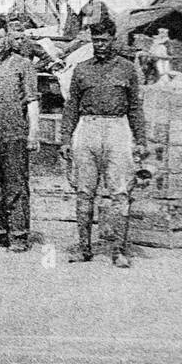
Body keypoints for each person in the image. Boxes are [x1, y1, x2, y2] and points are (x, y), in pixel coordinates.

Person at [58, 14, 147, 267]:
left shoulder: (127, 69)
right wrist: (66, 138)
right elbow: (71, 107)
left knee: (120, 193)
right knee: (84, 191)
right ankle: (84, 248)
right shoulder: (82, 69)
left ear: (113, 40)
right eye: (96, 40)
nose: (101, 45)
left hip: (118, 129)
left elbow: (135, 109)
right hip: (88, 129)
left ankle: (119, 250)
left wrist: (140, 140)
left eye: (105, 40)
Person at [0, 19, 39, 253]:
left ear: (8, 37)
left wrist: (33, 133)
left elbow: (32, 102)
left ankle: (19, 235)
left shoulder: (23, 65)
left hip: (15, 135)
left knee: (16, 186)